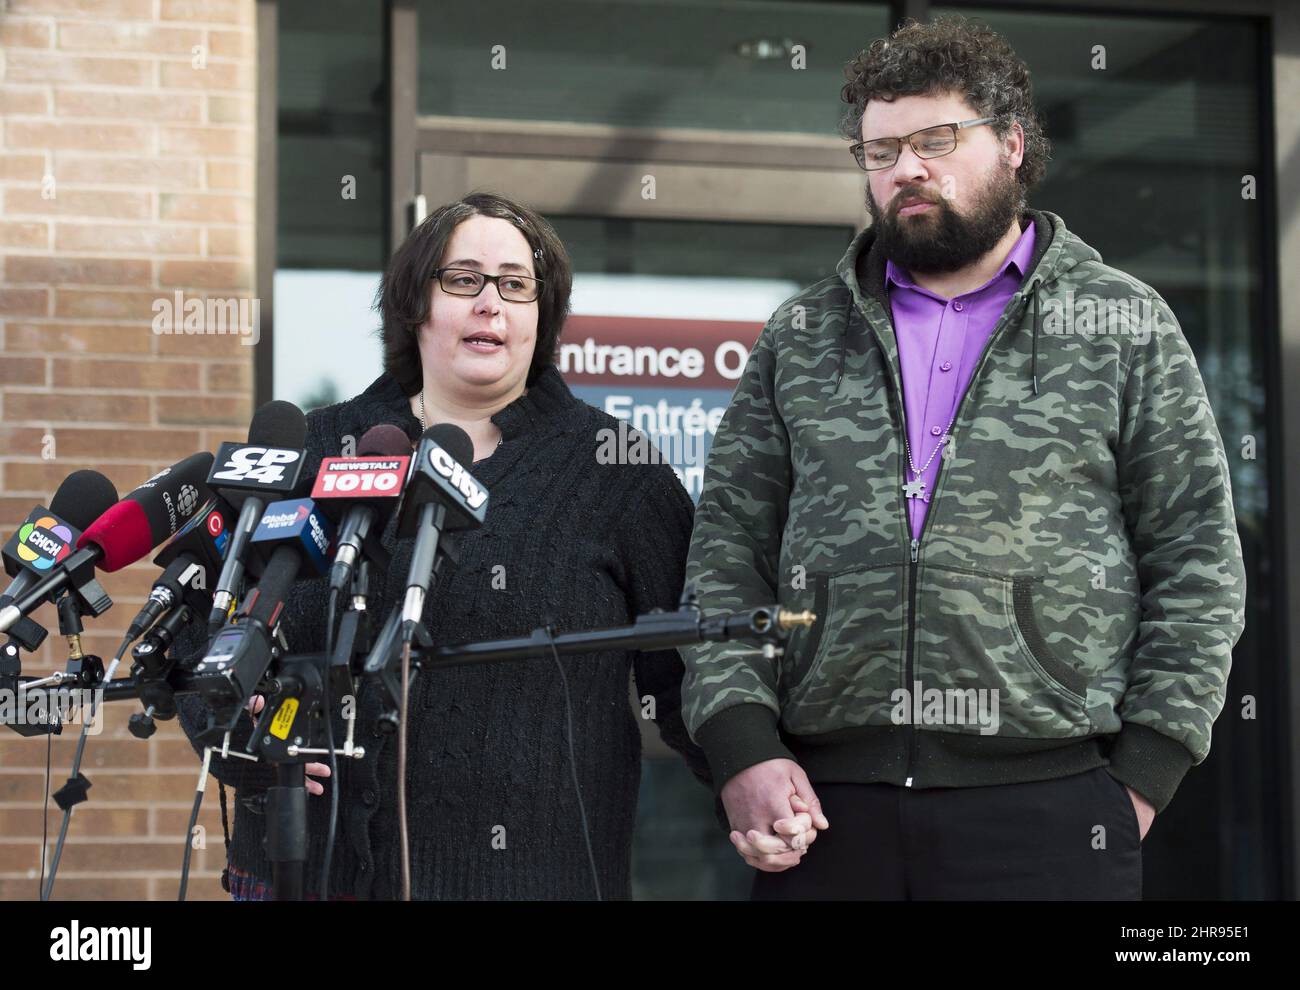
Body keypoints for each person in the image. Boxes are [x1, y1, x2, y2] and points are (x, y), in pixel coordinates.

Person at [678, 15, 1246, 900]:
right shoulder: (801, 333)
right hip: (828, 807)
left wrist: (1144, 772)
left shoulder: (1122, 324)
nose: (906, 167)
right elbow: (725, 554)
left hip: (1052, 797)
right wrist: (742, 745)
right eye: (880, 150)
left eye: (935, 140)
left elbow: (1197, 558)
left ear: (1013, 143)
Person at [174, 191, 709, 900]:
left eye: (517, 285)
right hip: (298, 876)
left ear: (541, 315)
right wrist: (226, 733)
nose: (492, 303)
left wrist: (757, 772)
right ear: (413, 304)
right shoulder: (311, 448)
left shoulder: (616, 470)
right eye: (464, 280)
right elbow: (189, 631)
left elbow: (692, 674)